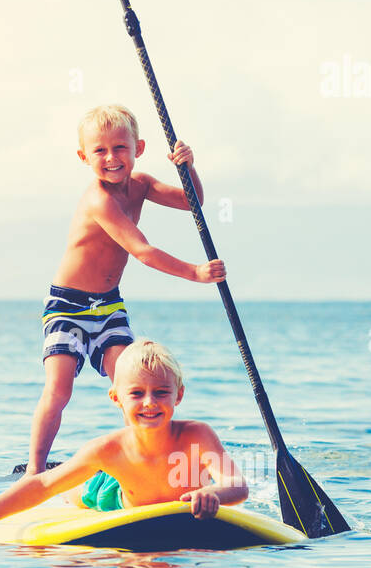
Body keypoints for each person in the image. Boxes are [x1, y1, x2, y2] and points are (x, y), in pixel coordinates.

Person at [26, 105, 225, 475]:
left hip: (108, 306)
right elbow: (142, 251)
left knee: (133, 383)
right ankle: (35, 471)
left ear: (139, 148)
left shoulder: (143, 185)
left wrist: (187, 168)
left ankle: (145, 461)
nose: (111, 158)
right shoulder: (99, 200)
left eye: (120, 148)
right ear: (84, 157)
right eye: (99, 150)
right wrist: (195, 272)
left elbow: (191, 202)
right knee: (60, 389)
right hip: (67, 306)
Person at [0, 339, 247, 542]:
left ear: (178, 394)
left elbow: (237, 485)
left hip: (170, 501)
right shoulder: (107, 449)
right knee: (74, 488)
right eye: (136, 393)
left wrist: (212, 494)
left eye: (161, 392)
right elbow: (44, 486)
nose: (150, 402)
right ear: (116, 398)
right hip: (112, 496)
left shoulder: (198, 435)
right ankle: (67, 471)